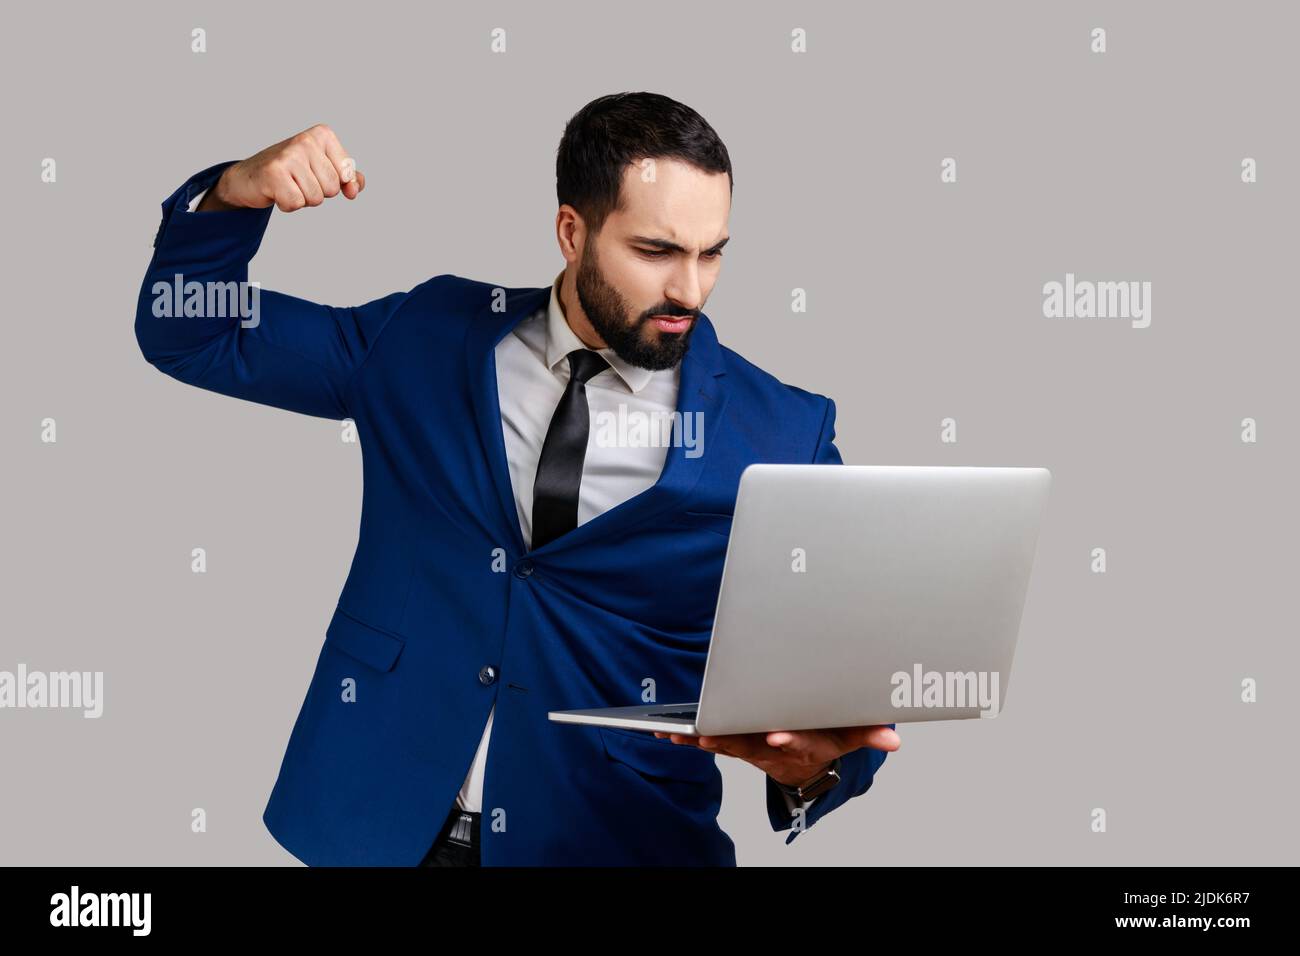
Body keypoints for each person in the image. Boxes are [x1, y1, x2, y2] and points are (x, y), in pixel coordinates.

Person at [134, 91, 900, 866]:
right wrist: (232, 194)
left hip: (613, 844)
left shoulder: (781, 435)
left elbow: (850, 680)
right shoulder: (425, 337)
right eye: (657, 251)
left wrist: (818, 767)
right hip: (378, 827)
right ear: (573, 231)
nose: (690, 292)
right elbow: (189, 333)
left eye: (713, 253)